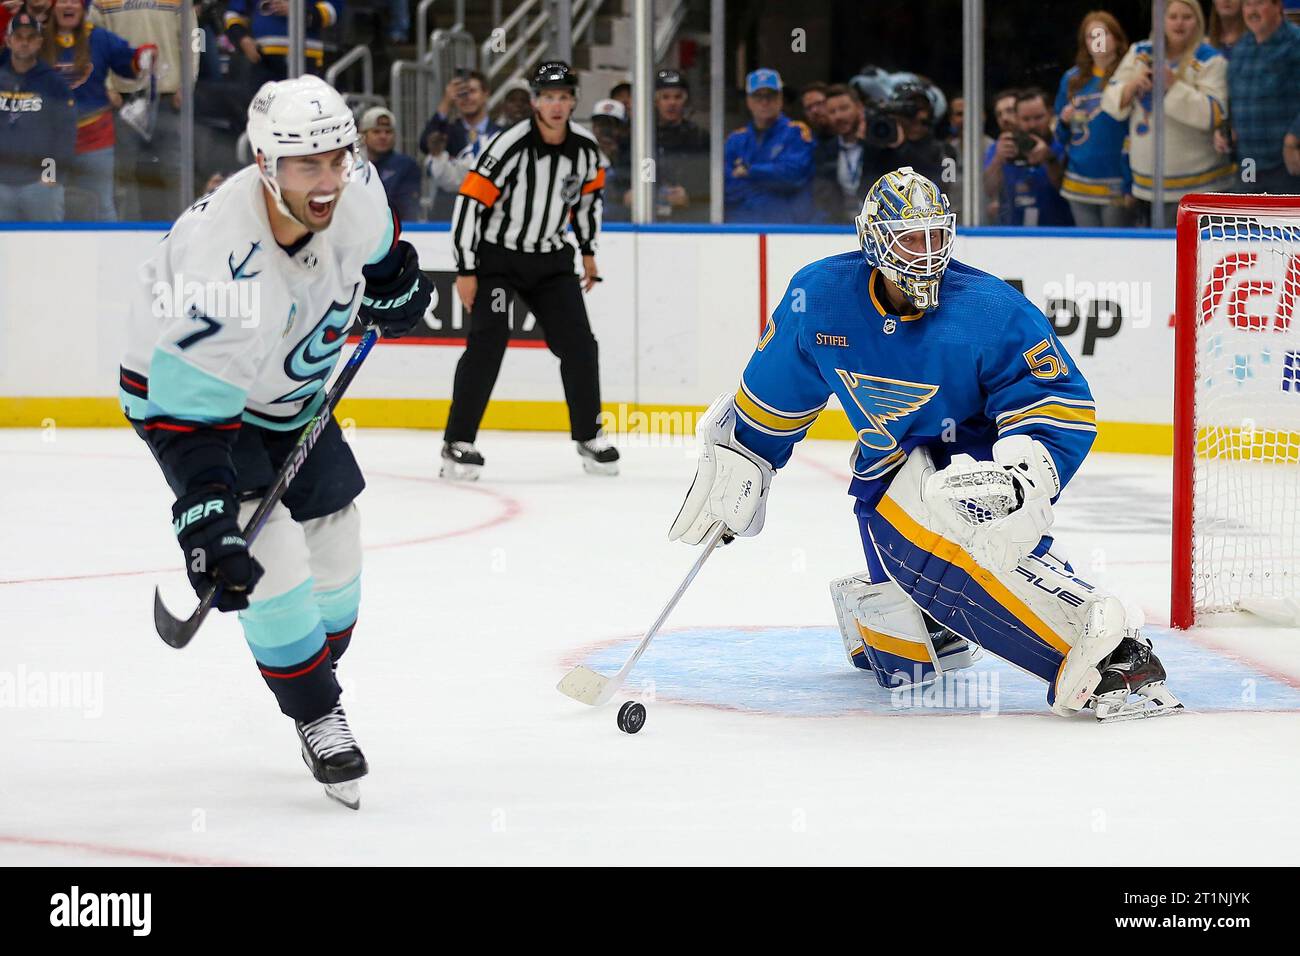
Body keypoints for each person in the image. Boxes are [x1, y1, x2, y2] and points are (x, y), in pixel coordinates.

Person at [669, 166, 1181, 722]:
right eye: (911, 239)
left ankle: (1107, 651)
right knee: (899, 638)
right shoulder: (818, 299)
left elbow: (1056, 401)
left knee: (960, 535)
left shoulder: (991, 309)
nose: (927, 253)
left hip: (980, 449)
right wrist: (743, 467)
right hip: (890, 458)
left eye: (936, 236)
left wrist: (1022, 479)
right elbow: (775, 400)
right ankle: (938, 625)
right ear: (874, 240)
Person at [117, 75, 431, 808]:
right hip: (185, 397)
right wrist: (207, 518)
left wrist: (394, 284)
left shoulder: (356, 191)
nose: (327, 181)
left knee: (337, 553)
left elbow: (383, 257)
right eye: (305, 165)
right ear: (265, 165)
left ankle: (305, 668)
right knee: (273, 559)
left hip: (286, 394)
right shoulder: (228, 267)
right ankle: (319, 712)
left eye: (336, 158)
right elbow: (190, 416)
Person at [443, 61, 618, 479]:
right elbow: (470, 204)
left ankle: (588, 436)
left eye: (564, 97)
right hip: (498, 262)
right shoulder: (509, 145)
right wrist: (467, 268)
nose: (556, 105)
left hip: (552, 261)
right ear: (536, 101)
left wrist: (588, 252)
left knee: (579, 344)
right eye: (548, 97)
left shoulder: (586, 148)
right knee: (489, 341)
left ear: (573, 101)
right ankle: (458, 442)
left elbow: (589, 202)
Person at [1103, 0, 1234, 225]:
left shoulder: (1211, 59)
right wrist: (1132, 85)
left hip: (1198, 189)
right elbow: (1109, 99)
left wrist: (1173, 86)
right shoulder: (1140, 52)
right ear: (1161, 20)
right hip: (1145, 188)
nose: (1179, 23)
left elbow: (1213, 114)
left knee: (1193, 258)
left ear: (1198, 21)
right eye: (1172, 16)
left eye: (1186, 17)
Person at [42, 0, 154, 221]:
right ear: (52, 7)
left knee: (102, 204)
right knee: (47, 200)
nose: (68, 6)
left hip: (95, 141)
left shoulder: (100, 38)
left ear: (84, 7)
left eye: (74, 1)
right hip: (49, 144)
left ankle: (107, 253)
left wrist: (141, 58)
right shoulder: (39, 39)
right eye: (62, 1)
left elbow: (128, 61)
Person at [89, 0, 195, 222]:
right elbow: (93, 42)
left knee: (176, 172)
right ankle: (124, 236)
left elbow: (194, 39)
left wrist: (188, 83)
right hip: (123, 99)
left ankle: (181, 233)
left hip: (168, 96)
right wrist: (106, 85)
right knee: (122, 174)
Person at [1055, 11, 1132, 227]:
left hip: (1116, 181)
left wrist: (1130, 184)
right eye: (1091, 36)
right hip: (1078, 182)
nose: (1097, 40)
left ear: (1117, 39)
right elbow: (1060, 135)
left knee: (1117, 250)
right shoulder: (1072, 79)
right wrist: (1063, 121)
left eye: (1104, 33)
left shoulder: (1128, 77)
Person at [1217, 0, 1300, 195]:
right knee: (1248, 223)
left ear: (1277, 6)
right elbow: (1233, 101)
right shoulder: (1241, 47)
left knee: (1283, 224)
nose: (1252, 11)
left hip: (1286, 164)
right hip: (1248, 164)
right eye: (1247, 5)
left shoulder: (1296, 43)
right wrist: (1226, 129)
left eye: (1259, 3)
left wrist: (1294, 138)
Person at [0, 12, 76, 221]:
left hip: (39, 186)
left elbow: (64, 134)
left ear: (39, 42)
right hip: (1, 186)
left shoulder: (54, 84)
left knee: (49, 248)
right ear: (8, 41)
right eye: (18, 37)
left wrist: (52, 176)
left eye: (30, 37)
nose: (24, 43)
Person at [724, 68, 815, 224]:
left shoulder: (796, 132)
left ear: (780, 98)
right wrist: (770, 178)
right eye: (758, 96)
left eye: (770, 95)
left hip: (787, 227)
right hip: (740, 227)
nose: (764, 102)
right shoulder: (735, 139)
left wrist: (750, 171)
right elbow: (727, 188)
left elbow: (793, 177)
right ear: (748, 101)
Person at [986, 88, 1074, 227]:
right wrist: (997, 160)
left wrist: (1049, 159)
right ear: (1017, 118)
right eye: (1026, 119)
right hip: (1011, 233)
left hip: (1058, 233)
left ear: (1050, 114)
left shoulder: (1064, 146)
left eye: (1038, 117)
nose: (1032, 125)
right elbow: (987, 190)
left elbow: (1067, 193)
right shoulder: (1003, 146)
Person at [223, 0, 340, 83]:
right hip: (262, 58)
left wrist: (300, 11)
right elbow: (233, 13)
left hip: (305, 57)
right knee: (262, 111)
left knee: (300, 110)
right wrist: (242, 38)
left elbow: (333, 9)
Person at [652, 68, 709, 221]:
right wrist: (646, 191)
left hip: (690, 217)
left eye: (677, 97)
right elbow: (642, 167)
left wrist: (690, 194)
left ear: (686, 100)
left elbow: (709, 178)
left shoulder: (699, 137)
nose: (672, 103)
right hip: (649, 215)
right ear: (656, 101)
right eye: (666, 97)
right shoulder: (644, 136)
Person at [418, 69, 501, 164]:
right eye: (461, 93)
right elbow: (425, 145)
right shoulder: (448, 133)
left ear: (485, 94)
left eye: (472, 91)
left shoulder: (500, 133)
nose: (466, 97)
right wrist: (446, 102)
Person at [360, 106, 420, 222]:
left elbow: (407, 209)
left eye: (388, 132)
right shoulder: (352, 166)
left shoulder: (406, 165)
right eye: (376, 131)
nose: (383, 136)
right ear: (363, 136)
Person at [590, 97, 630, 222]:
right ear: (594, 128)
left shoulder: (636, 157)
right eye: (601, 125)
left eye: (612, 125)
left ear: (624, 129)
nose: (606, 131)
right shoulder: (583, 159)